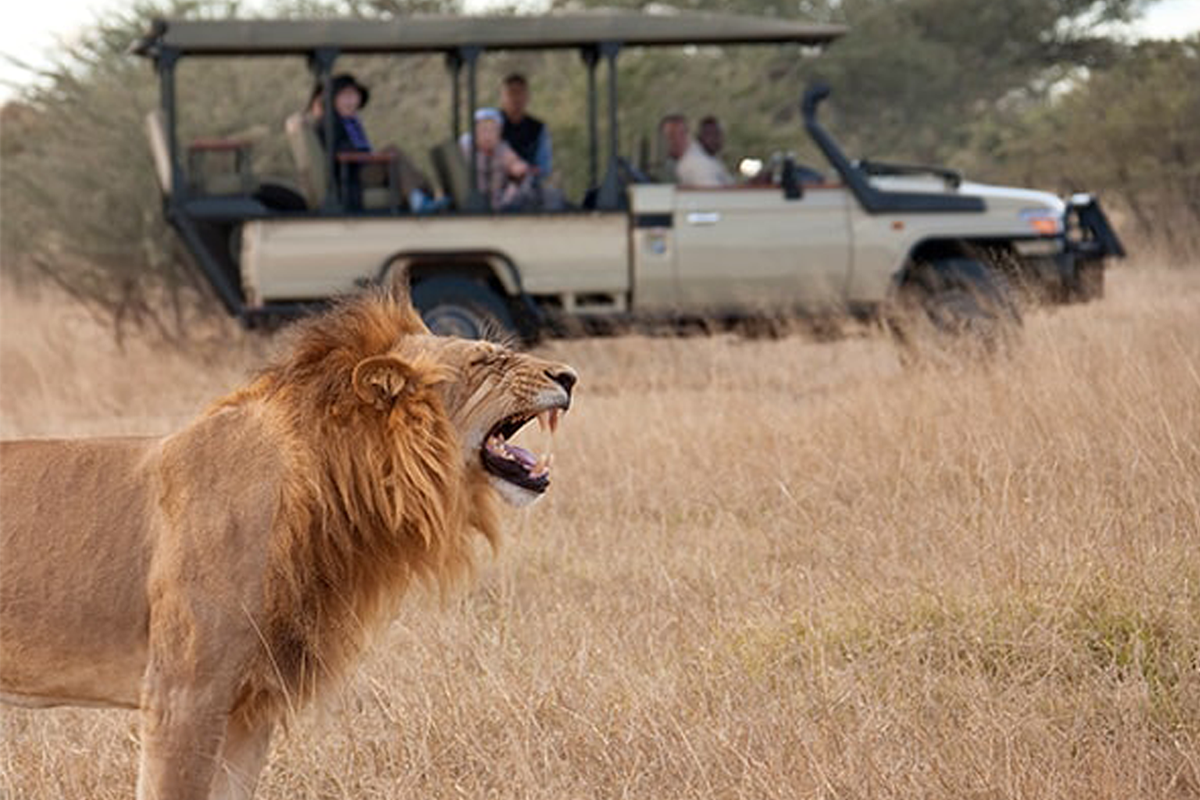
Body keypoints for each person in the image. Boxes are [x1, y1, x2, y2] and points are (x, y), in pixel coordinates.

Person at [308, 73, 374, 210]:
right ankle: (417, 196)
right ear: (332, 99)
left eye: (354, 96)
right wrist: (371, 157)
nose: (351, 102)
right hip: (352, 173)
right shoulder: (330, 123)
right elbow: (340, 151)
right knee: (394, 151)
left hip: (361, 167)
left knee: (394, 153)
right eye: (345, 96)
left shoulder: (350, 122)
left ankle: (416, 194)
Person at [460, 107, 535, 210]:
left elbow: (516, 164)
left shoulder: (503, 150)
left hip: (498, 207)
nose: (488, 136)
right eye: (483, 130)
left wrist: (518, 169)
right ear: (475, 132)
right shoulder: (465, 148)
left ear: (499, 133)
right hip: (470, 207)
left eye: (492, 130)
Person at [658, 113, 734, 188]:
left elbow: (713, 193)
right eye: (669, 136)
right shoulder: (692, 160)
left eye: (675, 135)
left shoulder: (697, 164)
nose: (672, 141)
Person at [499, 72, 553, 176]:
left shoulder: (538, 128)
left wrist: (524, 171)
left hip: (528, 182)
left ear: (527, 97)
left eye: (519, 93)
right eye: (511, 93)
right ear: (502, 97)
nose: (515, 98)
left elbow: (544, 167)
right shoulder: (492, 123)